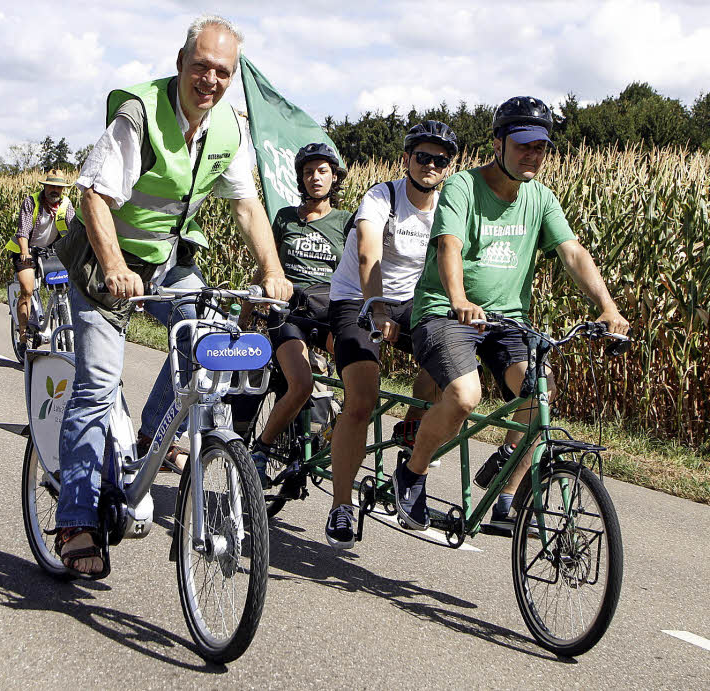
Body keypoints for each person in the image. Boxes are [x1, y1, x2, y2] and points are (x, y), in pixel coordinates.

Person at [51, 14, 292, 578]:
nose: (211, 78)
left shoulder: (230, 128)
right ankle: (77, 520)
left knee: (209, 339)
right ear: (181, 63)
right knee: (96, 385)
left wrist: (272, 271)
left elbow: (246, 205)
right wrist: (113, 265)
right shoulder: (139, 114)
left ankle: (150, 438)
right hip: (104, 266)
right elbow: (94, 196)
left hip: (168, 263)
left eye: (223, 71)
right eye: (201, 66)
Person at [393, 96, 630, 534]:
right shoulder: (464, 186)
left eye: (540, 147)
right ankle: (412, 473)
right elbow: (449, 246)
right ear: (498, 143)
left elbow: (572, 252)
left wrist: (608, 306)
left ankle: (506, 495)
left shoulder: (540, 197)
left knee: (541, 393)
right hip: (445, 314)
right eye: (522, 145)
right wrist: (460, 298)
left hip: (506, 321)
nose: (531, 155)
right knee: (466, 396)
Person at [321, 121, 456, 548]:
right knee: (361, 401)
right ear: (407, 160)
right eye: (423, 156)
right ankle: (341, 506)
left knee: (451, 363)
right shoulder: (384, 196)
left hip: (412, 304)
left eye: (440, 159)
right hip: (357, 298)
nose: (431, 165)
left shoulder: (446, 209)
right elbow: (367, 252)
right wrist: (375, 306)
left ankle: (411, 432)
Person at [245, 142, 350, 488]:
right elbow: (266, 265)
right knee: (301, 383)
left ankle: (331, 441)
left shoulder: (346, 223)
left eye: (322, 171)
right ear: (301, 179)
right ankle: (260, 450)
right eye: (308, 172)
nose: (315, 177)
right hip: (287, 313)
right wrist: (246, 310)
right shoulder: (285, 218)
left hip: (328, 313)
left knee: (361, 383)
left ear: (334, 177)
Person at [4, 172, 76, 353]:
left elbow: (74, 230)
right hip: (26, 249)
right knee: (27, 290)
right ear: (45, 186)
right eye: (51, 186)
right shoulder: (32, 202)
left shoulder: (66, 205)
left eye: (59, 187)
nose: (55, 190)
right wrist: (24, 253)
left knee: (66, 286)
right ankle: (22, 336)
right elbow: (23, 231)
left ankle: (63, 326)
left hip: (51, 251)